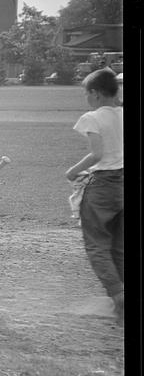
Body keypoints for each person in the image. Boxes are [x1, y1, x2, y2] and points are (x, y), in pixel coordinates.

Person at [65, 68, 124, 324]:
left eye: (87, 94)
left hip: (103, 185)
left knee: (97, 244)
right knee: (120, 246)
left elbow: (98, 155)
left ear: (96, 94)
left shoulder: (93, 117)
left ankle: (118, 295)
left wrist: (73, 171)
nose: (86, 99)